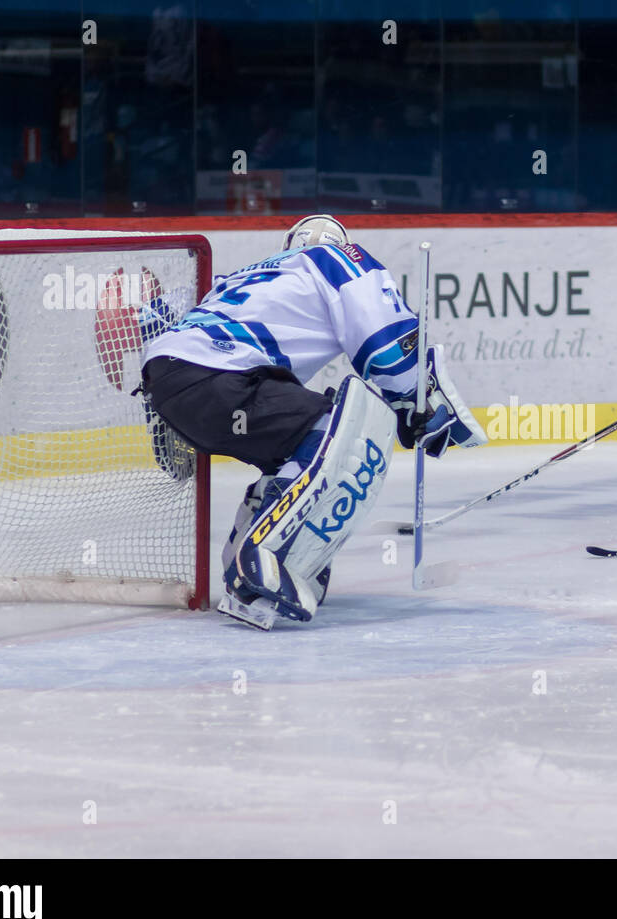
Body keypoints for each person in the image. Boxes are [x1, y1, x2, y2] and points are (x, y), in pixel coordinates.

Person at [140, 215, 486, 630]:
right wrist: (419, 406)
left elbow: (153, 318)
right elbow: (384, 340)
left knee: (295, 446)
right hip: (219, 377)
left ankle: (242, 576)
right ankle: (265, 551)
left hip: (171, 383)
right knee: (341, 427)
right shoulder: (338, 258)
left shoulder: (245, 276)